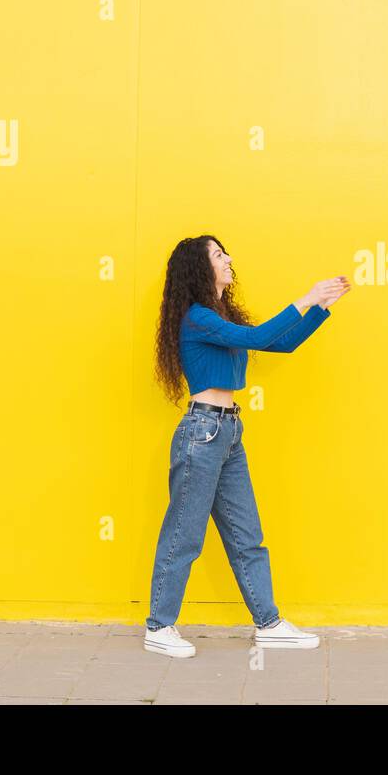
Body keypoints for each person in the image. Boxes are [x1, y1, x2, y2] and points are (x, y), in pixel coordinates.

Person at [143, 235, 349, 657]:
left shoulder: (221, 316)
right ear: (199, 269)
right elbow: (260, 338)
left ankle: (269, 623)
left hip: (228, 433)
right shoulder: (198, 317)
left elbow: (279, 342)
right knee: (184, 534)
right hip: (202, 433)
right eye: (219, 255)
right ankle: (159, 627)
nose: (229, 259)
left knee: (246, 535)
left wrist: (320, 308)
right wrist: (305, 297)